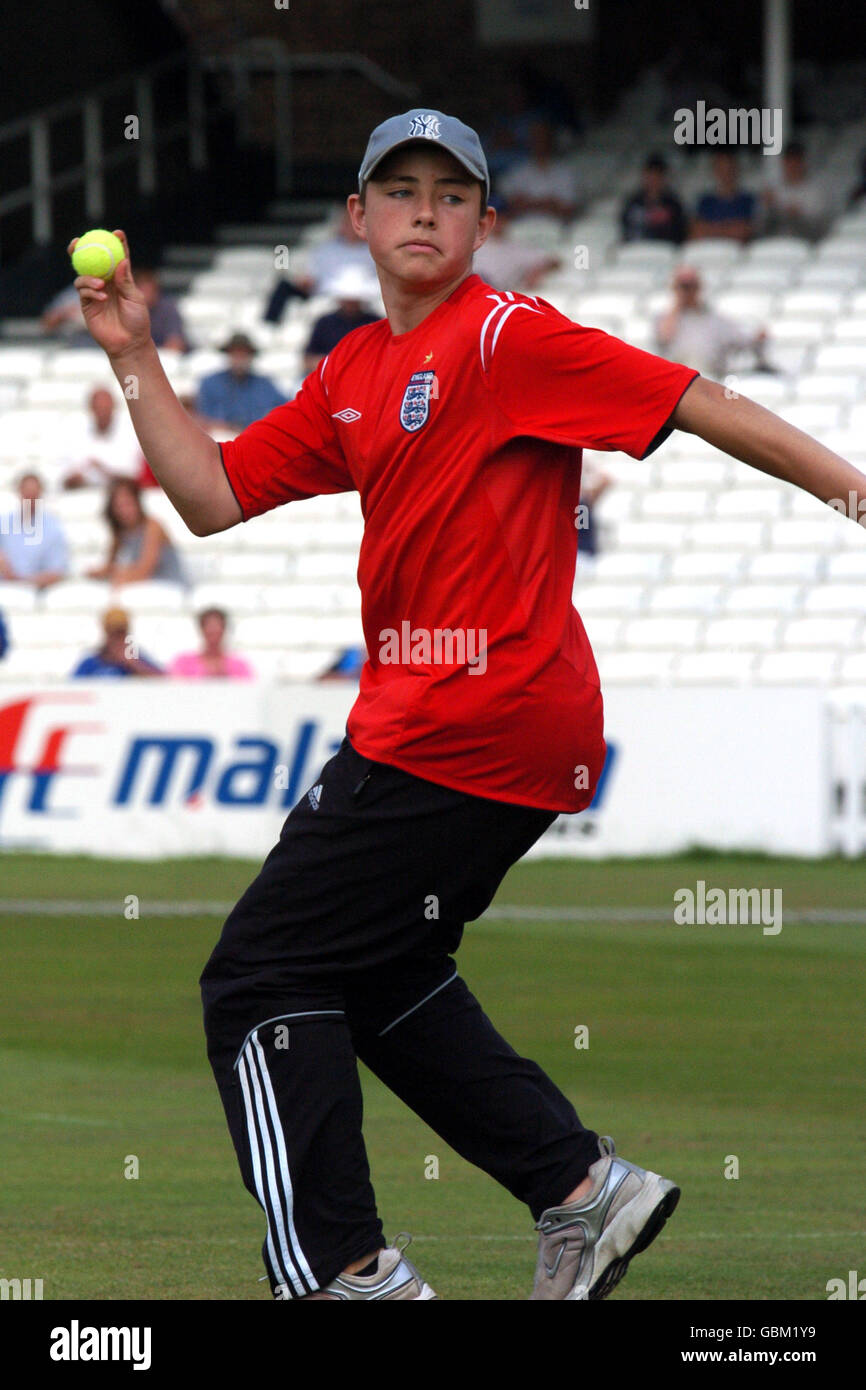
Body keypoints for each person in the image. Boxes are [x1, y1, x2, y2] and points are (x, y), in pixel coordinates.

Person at [69, 106, 866, 1303]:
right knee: (374, 972)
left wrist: (856, 495)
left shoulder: (508, 338)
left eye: (451, 193)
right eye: (400, 190)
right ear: (358, 217)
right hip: (457, 720)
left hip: (475, 713)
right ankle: (581, 1189)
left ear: (486, 225)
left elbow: (699, 399)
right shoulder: (352, 369)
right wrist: (135, 351)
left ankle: (346, 1272)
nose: (425, 210)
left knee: (259, 974)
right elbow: (211, 496)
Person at [263, 206, 377, 324]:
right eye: (347, 222)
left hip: (365, 297)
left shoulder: (375, 249)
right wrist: (305, 282)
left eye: (355, 222)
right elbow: (312, 276)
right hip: (328, 296)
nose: (351, 227)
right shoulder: (325, 249)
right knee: (284, 285)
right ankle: (269, 328)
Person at [655, 265, 769, 380]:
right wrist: (678, 304)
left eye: (691, 285)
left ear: (699, 287)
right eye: (683, 286)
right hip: (678, 382)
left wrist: (758, 337)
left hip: (711, 380)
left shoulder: (716, 320)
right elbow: (664, 338)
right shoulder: (664, 319)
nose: (688, 291)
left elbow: (744, 340)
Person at [86, 478, 188, 588]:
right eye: (118, 506)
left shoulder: (153, 526)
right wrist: (96, 573)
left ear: (137, 502)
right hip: (144, 584)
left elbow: (145, 570)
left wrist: (119, 574)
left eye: (127, 504)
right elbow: (109, 565)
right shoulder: (120, 532)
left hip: (168, 583)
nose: (124, 511)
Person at [196, 334, 287, 433]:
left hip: (256, 437)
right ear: (229, 355)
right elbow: (201, 419)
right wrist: (229, 428)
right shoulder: (210, 383)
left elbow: (285, 409)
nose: (239, 358)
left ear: (251, 356)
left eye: (244, 354)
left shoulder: (265, 385)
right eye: (235, 353)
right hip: (222, 439)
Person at [60, 386, 145, 489]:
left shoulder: (130, 436)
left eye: (105, 408)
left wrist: (102, 470)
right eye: (98, 408)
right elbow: (64, 479)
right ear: (91, 409)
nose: (102, 412)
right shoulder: (74, 436)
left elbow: (133, 477)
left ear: (113, 408)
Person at [302, 268, 381, 375]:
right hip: (329, 377)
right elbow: (309, 358)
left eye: (354, 299)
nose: (351, 303)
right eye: (348, 299)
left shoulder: (376, 322)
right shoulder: (325, 322)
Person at [498, 119, 580, 223]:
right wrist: (549, 203)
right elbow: (511, 208)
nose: (540, 141)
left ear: (551, 139)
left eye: (543, 137)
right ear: (530, 141)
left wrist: (528, 203)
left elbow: (568, 209)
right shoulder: (516, 172)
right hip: (521, 228)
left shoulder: (565, 172)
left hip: (557, 228)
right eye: (535, 137)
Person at [0, 473, 69, 591]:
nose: (30, 498)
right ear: (19, 492)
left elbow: (56, 572)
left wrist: (24, 581)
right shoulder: (4, 522)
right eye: (27, 494)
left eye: (33, 494)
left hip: (33, 588)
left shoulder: (53, 529)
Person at [473, 198, 561, 291]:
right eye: (489, 217)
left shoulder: (516, 248)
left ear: (507, 219)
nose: (496, 222)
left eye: (500, 217)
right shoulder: (470, 244)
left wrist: (539, 270)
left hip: (498, 297)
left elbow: (553, 261)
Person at [760, 141, 828, 241]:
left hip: (805, 245)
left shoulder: (815, 192)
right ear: (783, 163)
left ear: (803, 163)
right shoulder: (773, 190)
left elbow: (819, 228)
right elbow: (760, 225)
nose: (792, 166)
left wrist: (797, 215)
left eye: (796, 162)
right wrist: (768, 207)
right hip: (775, 243)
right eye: (789, 161)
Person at [72, 605, 163, 677]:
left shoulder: (138, 658)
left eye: (121, 632)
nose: (117, 638)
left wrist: (133, 664)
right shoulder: (91, 662)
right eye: (113, 633)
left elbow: (164, 683)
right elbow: (73, 689)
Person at [689, 150, 757, 243]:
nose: (725, 173)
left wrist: (712, 229)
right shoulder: (705, 201)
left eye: (729, 168)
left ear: (736, 169)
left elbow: (744, 232)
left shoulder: (747, 200)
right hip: (710, 252)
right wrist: (729, 229)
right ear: (715, 170)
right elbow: (697, 232)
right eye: (721, 168)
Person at [168, 607, 254, 678]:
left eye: (217, 626)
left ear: (224, 629)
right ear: (201, 629)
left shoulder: (239, 665)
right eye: (209, 626)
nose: (213, 631)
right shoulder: (183, 663)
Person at [620, 154, 687, 245]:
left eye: (657, 175)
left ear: (664, 178)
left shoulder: (673, 204)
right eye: (650, 175)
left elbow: (679, 233)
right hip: (638, 248)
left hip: (664, 250)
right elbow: (626, 228)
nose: (653, 180)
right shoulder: (633, 202)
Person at [134, 267, 189, 352]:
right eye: (142, 290)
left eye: (148, 291)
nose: (145, 295)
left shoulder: (168, 309)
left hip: (165, 358)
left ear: (156, 291)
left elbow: (175, 344)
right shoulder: (131, 311)